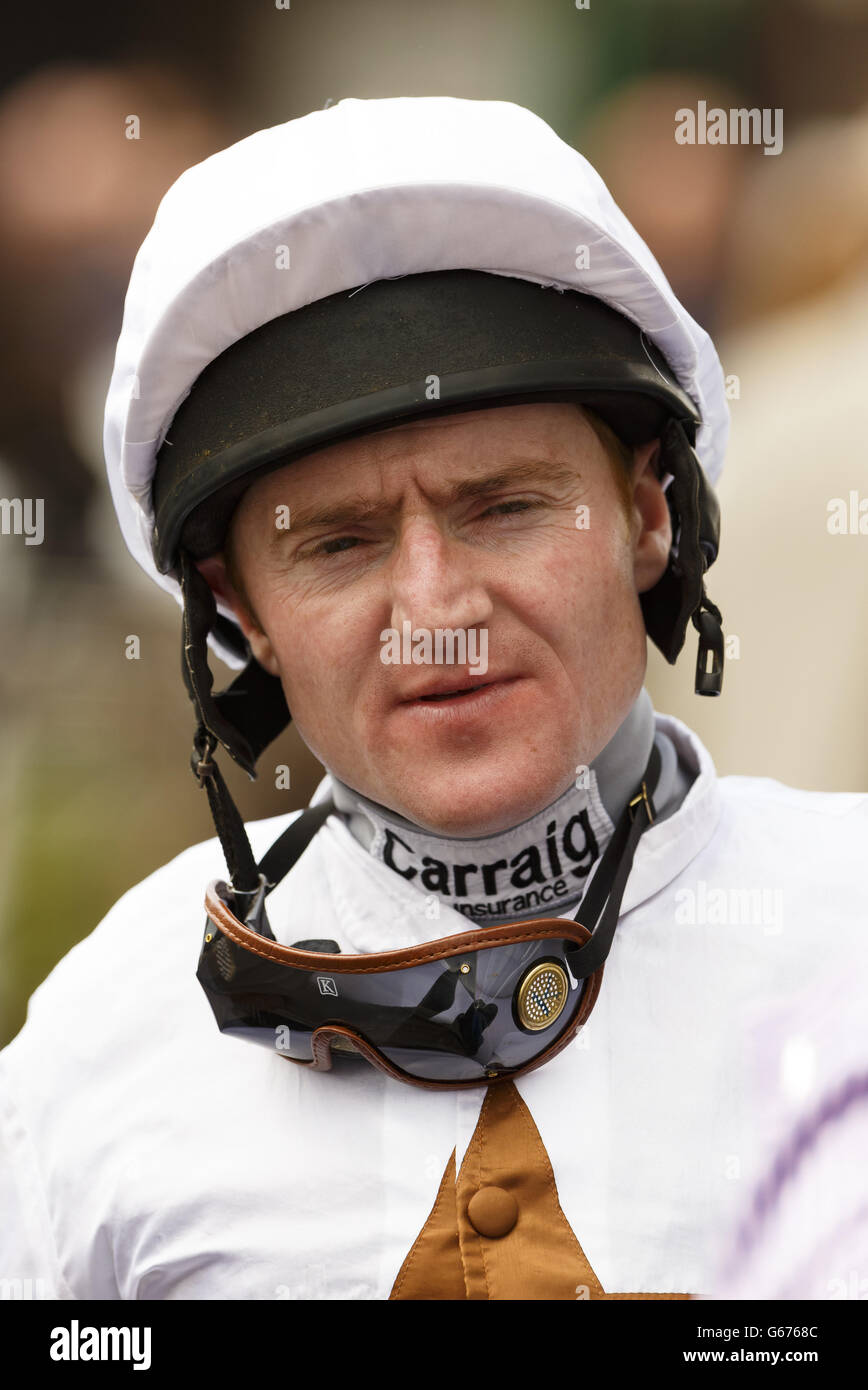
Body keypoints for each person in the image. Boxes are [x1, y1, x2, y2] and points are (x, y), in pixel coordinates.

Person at [1, 96, 865, 1301]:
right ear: (240, 612)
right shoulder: (101, 1044)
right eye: (340, 545)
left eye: (504, 507)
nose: (433, 608)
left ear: (650, 515)